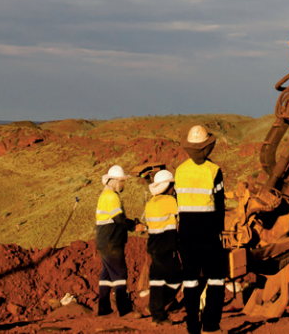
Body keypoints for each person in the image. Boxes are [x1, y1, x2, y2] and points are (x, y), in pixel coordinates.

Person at [176, 125, 225, 334]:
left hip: (185, 234)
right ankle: (211, 326)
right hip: (208, 234)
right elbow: (220, 206)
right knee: (216, 279)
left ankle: (192, 327)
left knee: (190, 282)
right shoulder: (214, 171)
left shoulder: (179, 171)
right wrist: (219, 231)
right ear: (207, 147)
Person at [96, 164, 145, 317]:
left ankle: (103, 308)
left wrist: (132, 224)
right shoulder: (111, 197)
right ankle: (124, 309)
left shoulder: (106, 195)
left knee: (107, 275)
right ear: (115, 181)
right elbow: (119, 219)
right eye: (122, 181)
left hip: (104, 241)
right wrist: (134, 227)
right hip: (112, 242)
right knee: (120, 273)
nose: (123, 184)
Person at [142, 169, 182, 325]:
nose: (174, 188)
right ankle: (155, 308)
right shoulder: (170, 201)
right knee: (176, 279)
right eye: (172, 185)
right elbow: (183, 210)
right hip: (166, 248)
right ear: (167, 187)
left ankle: (157, 316)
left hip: (154, 247)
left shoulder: (151, 203)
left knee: (157, 282)